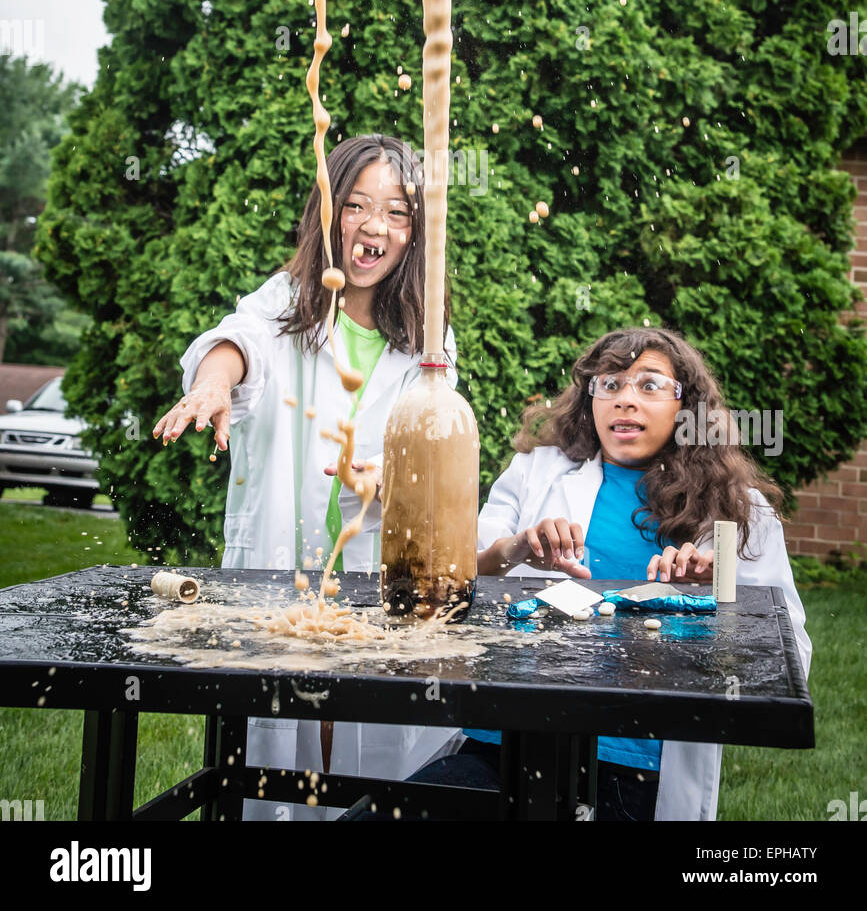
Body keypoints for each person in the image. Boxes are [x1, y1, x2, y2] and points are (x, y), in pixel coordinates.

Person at [152, 133, 461, 819]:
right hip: (279, 567)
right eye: (354, 205)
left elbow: (437, 444)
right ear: (326, 213)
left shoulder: (429, 339)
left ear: (416, 234)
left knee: (374, 747)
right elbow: (238, 343)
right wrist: (210, 384)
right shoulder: (287, 301)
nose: (373, 226)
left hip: (378, 567)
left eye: (396, 212)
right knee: (271, 758)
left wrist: (390, 473)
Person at [408, 325, 811, 822]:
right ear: (589, 399)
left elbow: (788, 662)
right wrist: (513, 551)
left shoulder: (736, 511)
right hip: (504, 739)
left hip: (627, 766)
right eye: (610, 383)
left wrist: (710, 603)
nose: (625, 399)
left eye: (649, 385)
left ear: (687, 408)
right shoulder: (536, 469)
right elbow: (447, 576)